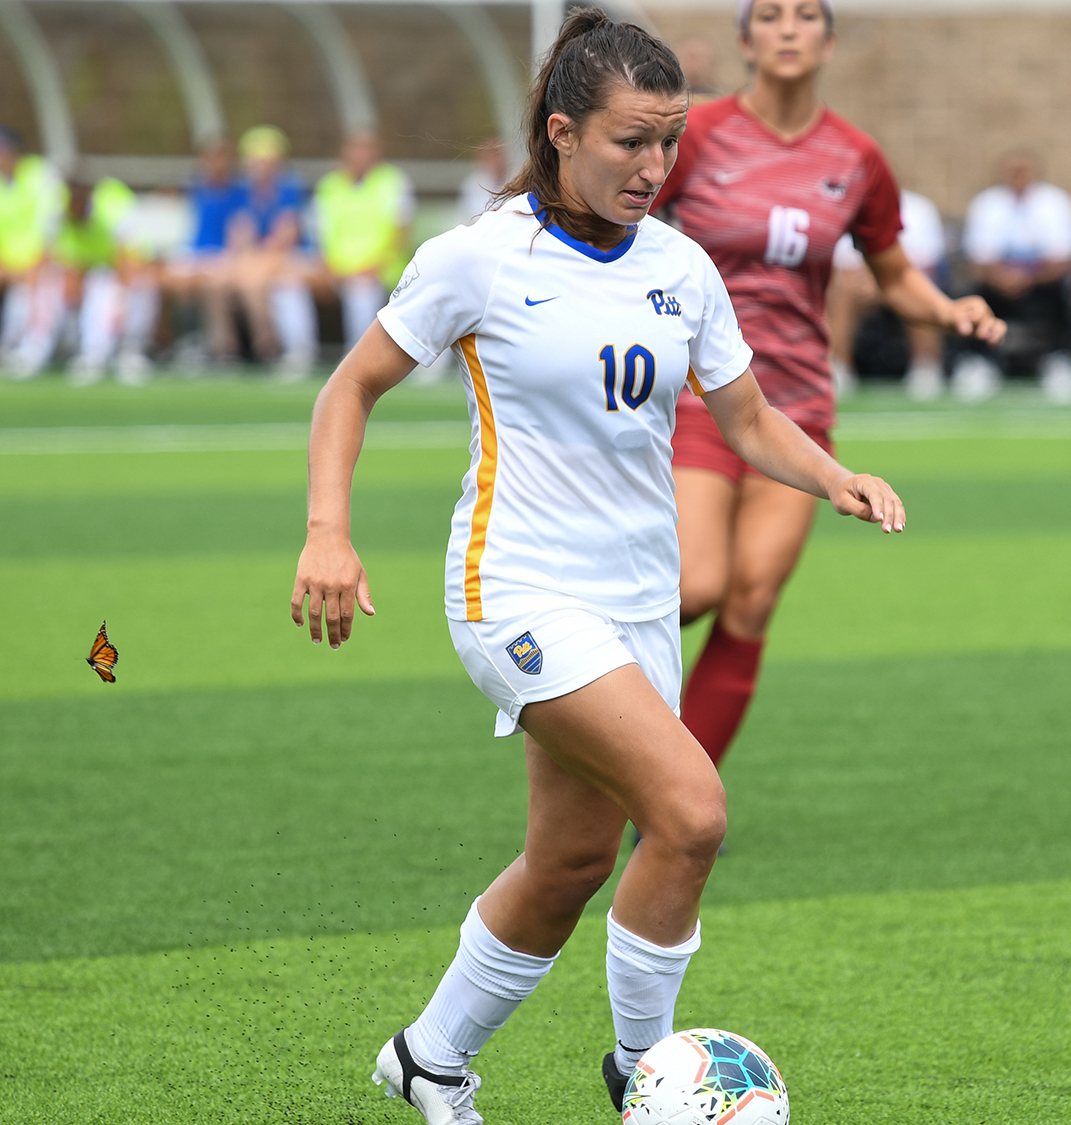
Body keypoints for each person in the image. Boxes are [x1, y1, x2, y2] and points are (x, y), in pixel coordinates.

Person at [289, 12, 906, 1123]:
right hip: (515, 590)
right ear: (562, 133)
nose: (654, 168)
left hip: (636, 605)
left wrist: (832, 478)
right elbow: (350, 388)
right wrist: (327, 531)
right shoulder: (480, 257)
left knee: (570, 863)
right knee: (691, 812)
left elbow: (751, 421)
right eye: (630, 142)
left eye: (668, 142)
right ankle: (645, 1077)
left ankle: (427, 1059)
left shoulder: (680, 267)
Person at [651, 0, 1001, 770]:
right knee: (695, 587)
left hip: (799, 408)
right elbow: (622, 220)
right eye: (769, 14)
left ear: (829, 40)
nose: (787, 28)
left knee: (752, 602)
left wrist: (948, 310)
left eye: (806, 15)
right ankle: (594, 712)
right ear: (745, 38)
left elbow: (894, 274)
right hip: (701, 399)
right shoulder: (697, 136)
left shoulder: (856, 157)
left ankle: (674, 792)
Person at [961, 149, 1071, 394]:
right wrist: (1004, 279)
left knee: (1062, 296)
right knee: (974, 298)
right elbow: (979, 258)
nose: (1018, 176)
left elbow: (1064, 258)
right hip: (996, 286)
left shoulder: (1054, 203)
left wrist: (1027, 279)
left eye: (1023, 170)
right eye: (1012, 171)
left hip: (1043, 285)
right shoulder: (988, 204)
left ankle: (1059, 359)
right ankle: (979, 361)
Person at [0, 125, 65, 374]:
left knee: (36, 285)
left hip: (40, 259)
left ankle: (30, 350)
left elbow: (51, 231)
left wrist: (33, 264)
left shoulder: (42, 174)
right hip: (4, 261)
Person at [825, 187, 948, 398]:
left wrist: (886, 280)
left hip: (904, 280)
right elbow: (839, 263)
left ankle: (926, 368)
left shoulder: (919, 208)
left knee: (921, 291)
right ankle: (839, 368)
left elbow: (926, 262)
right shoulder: (844, 206)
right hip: (858, 285)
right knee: (842, 292)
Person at [221, 125, 318, 376]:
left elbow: (286, 236)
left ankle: (280, 344)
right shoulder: (243, 191)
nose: (260, 167)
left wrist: (255, 256)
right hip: (261, 260)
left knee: (279, 282)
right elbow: (239, 235)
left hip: (298, 256)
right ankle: (257, 342)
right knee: (240, 277)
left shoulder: (289, 188)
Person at [47, 178, 159, 384]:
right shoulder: (63, 214)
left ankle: (130, 351)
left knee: (135, 289)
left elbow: (127, 256)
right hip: (97, 268)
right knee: (91, 287)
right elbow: (71, 262)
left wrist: (122, 297)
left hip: (133, 263)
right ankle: (93, 353)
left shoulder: (112, 202)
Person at [313, 129, 415, 348]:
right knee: (288, 287)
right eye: (355, 149)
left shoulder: (394, 181)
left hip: (381, 267)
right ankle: (296, 355)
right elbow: (320, 234)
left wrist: (375, 266)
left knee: (361, 291)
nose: (360, 155)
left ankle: (357, 359)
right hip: (336, 268)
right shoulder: (329, 185)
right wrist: (329, 266)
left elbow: (402, 233)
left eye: (366, 149)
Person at [164, 138, 249, 363]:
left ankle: (223, 347)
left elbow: (240, 233)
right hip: (195, 254)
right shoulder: (195, 189)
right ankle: (186, 341)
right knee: (174, 281)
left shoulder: (239, 193)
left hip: (223, 255)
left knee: (214, 285)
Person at [456, 136, 509, 223]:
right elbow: (474, 215)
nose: (497, 161)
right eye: (492, 156)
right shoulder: (473, 184)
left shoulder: (516, 179)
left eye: (499, 155)